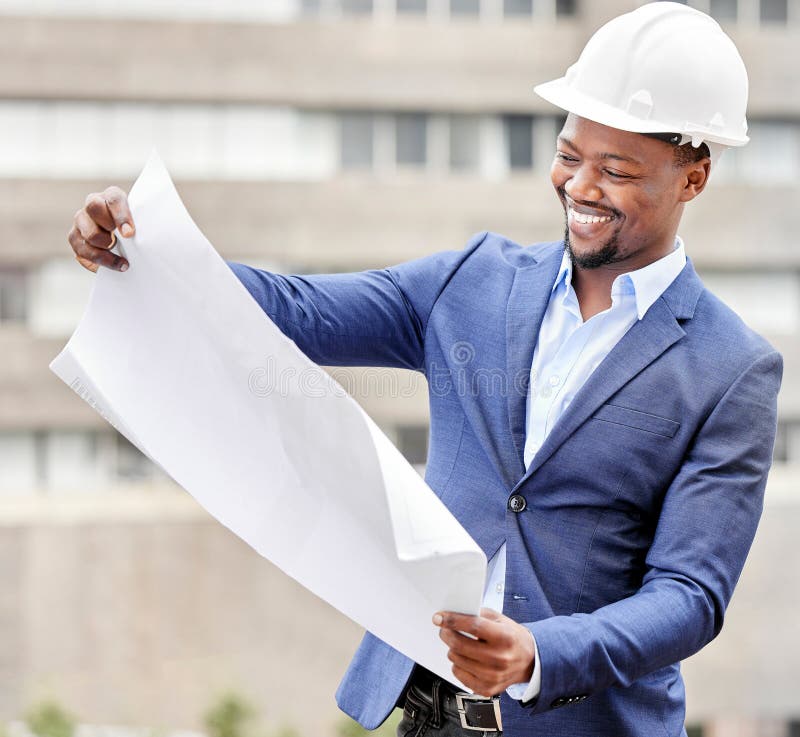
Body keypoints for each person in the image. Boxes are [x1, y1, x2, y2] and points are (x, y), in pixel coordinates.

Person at [66, 3, 781, 736]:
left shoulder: (732, 369)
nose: (580, 187)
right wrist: (145, 249)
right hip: (428, 717)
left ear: (693, 179)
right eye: (569, 156)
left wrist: (540, 652)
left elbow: (690, 594)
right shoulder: (473, 281)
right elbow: (295, 308)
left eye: (617, 169)